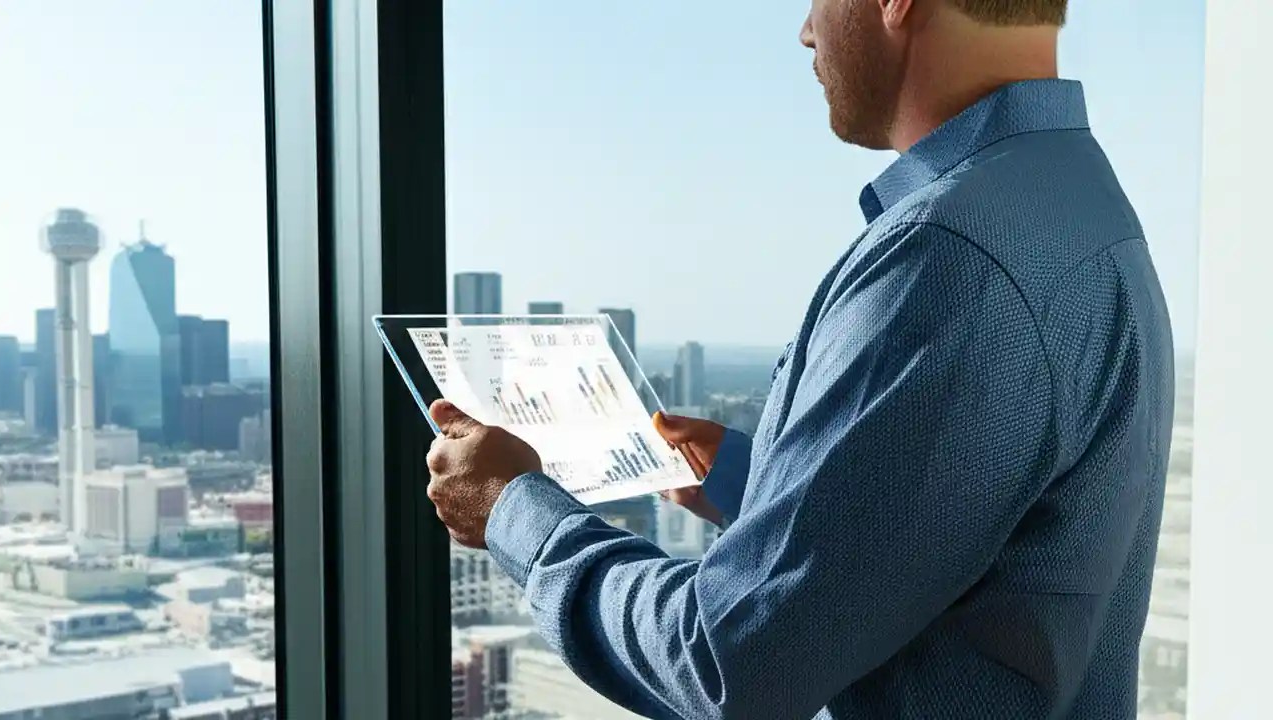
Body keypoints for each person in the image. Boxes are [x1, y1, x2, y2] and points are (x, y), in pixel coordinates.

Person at [425, 0, 1174, 717]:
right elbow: (967, 537)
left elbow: (723, 667)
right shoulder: (1081, 203)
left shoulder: (946, 258)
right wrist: (755, 481)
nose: (807, 30)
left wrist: (514, 511)